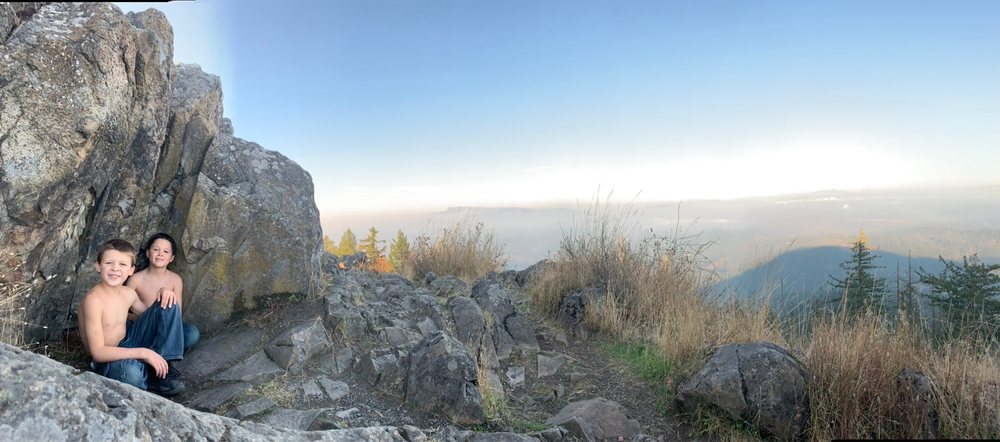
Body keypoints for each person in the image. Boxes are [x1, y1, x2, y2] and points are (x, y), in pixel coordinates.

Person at [78, 239, 185, 395]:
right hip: (108, 358)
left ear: (131, 270)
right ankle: (147, 375)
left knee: (169, 302)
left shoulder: (128, 293)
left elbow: (157, 316)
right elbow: (98, 352)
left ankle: (163, 374)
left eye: (122, 264)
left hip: (129, 341)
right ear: (98, 266)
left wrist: (163, 291)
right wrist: (143, 353)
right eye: (109, 263)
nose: (115, 269)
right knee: (131, 375)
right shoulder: (93, 301)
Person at [127, 232, 200, 353]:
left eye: (166, 251)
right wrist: (141, 318)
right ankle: (164, 351)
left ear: (171, 258)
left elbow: (177, 312)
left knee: (192, 333)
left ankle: (160, 349)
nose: (160, 254)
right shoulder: (136, 279)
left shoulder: (175, 280)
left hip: (166, 327)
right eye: (156, 249)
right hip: (143, 328)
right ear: (147, 253)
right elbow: (123, 310)